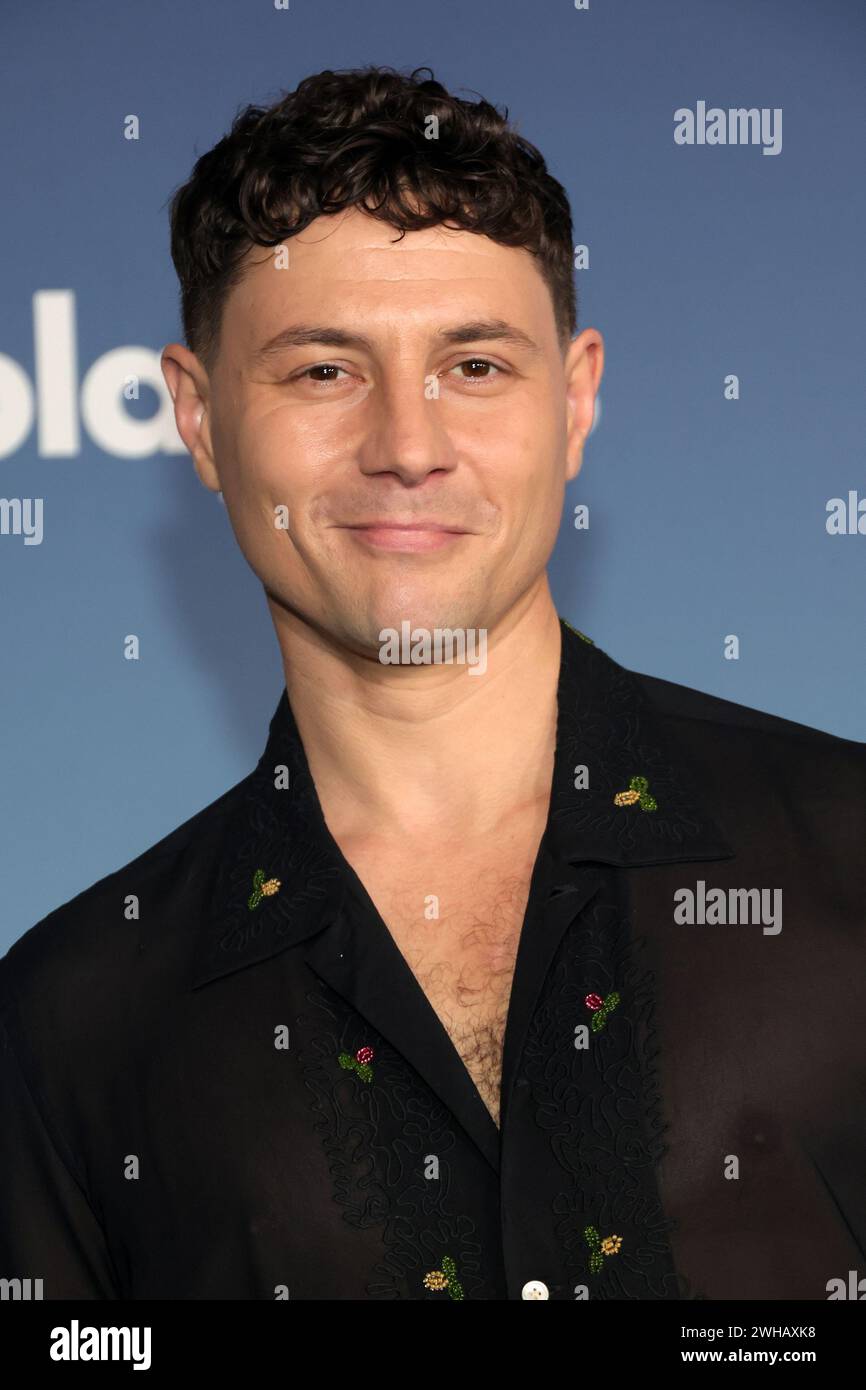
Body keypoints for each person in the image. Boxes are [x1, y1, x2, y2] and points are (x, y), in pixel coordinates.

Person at [1, 65, 863, 1302]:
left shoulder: (848, 860)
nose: (406, 445)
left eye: (473, 366)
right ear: (196, 420)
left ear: (573, 404)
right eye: (321, 371)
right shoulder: (68, 1021)